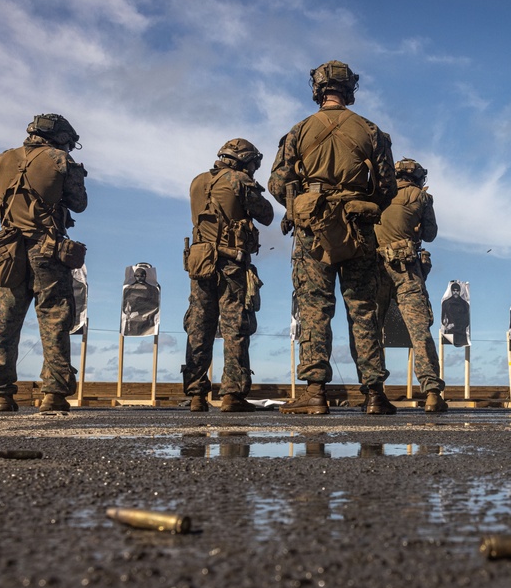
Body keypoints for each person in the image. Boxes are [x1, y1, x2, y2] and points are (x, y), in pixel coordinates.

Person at [269, 60, 397, 415]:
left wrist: (304, 204)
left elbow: (277, 184)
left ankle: (314, 393)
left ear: (318, 89)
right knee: (363, 309)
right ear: (349, 90)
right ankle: (374, 394)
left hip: (313, 230)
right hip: (358, 228)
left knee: (314, 308)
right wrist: (361, 201)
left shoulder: (298, 131)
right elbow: (388, 187)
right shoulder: (371, 131)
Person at [0, 114, 87, 413]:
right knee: (54, 321)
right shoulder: (62, 160)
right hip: (47, 250)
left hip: (8, 250)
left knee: (5, 323)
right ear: (62, 137)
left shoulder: (4, 159)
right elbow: (79, 203)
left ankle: (1, 393)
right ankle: (53, 394)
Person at [183, 139, 274, 412]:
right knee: (235, 326)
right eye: (253, 164)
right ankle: (232, 395)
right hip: (230, 262)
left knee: (199, 325)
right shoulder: (240, 181)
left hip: (199, 261)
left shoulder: (197, 181)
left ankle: (197, 395)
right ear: (244, 160)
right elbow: (267, 214)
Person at [371, 158, 447, 412]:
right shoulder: (421, 197)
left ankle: (374, 393)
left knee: (372, 332)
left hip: (376, 268)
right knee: (419, 331)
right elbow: (430, 234)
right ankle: (432, 393)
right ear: (418, 177)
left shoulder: (376, 194)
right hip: (407, 268)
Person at [441, 282, 470, 347]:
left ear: (459, 291)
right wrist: (447, 325)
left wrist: (455, 325)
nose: (455, 292)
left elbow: (467, 321)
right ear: (451, 291)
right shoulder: (445, 303)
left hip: (461, 334)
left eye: (457, 291)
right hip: (449, 333)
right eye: (454, 291)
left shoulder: (465, 304)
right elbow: (443, 319)